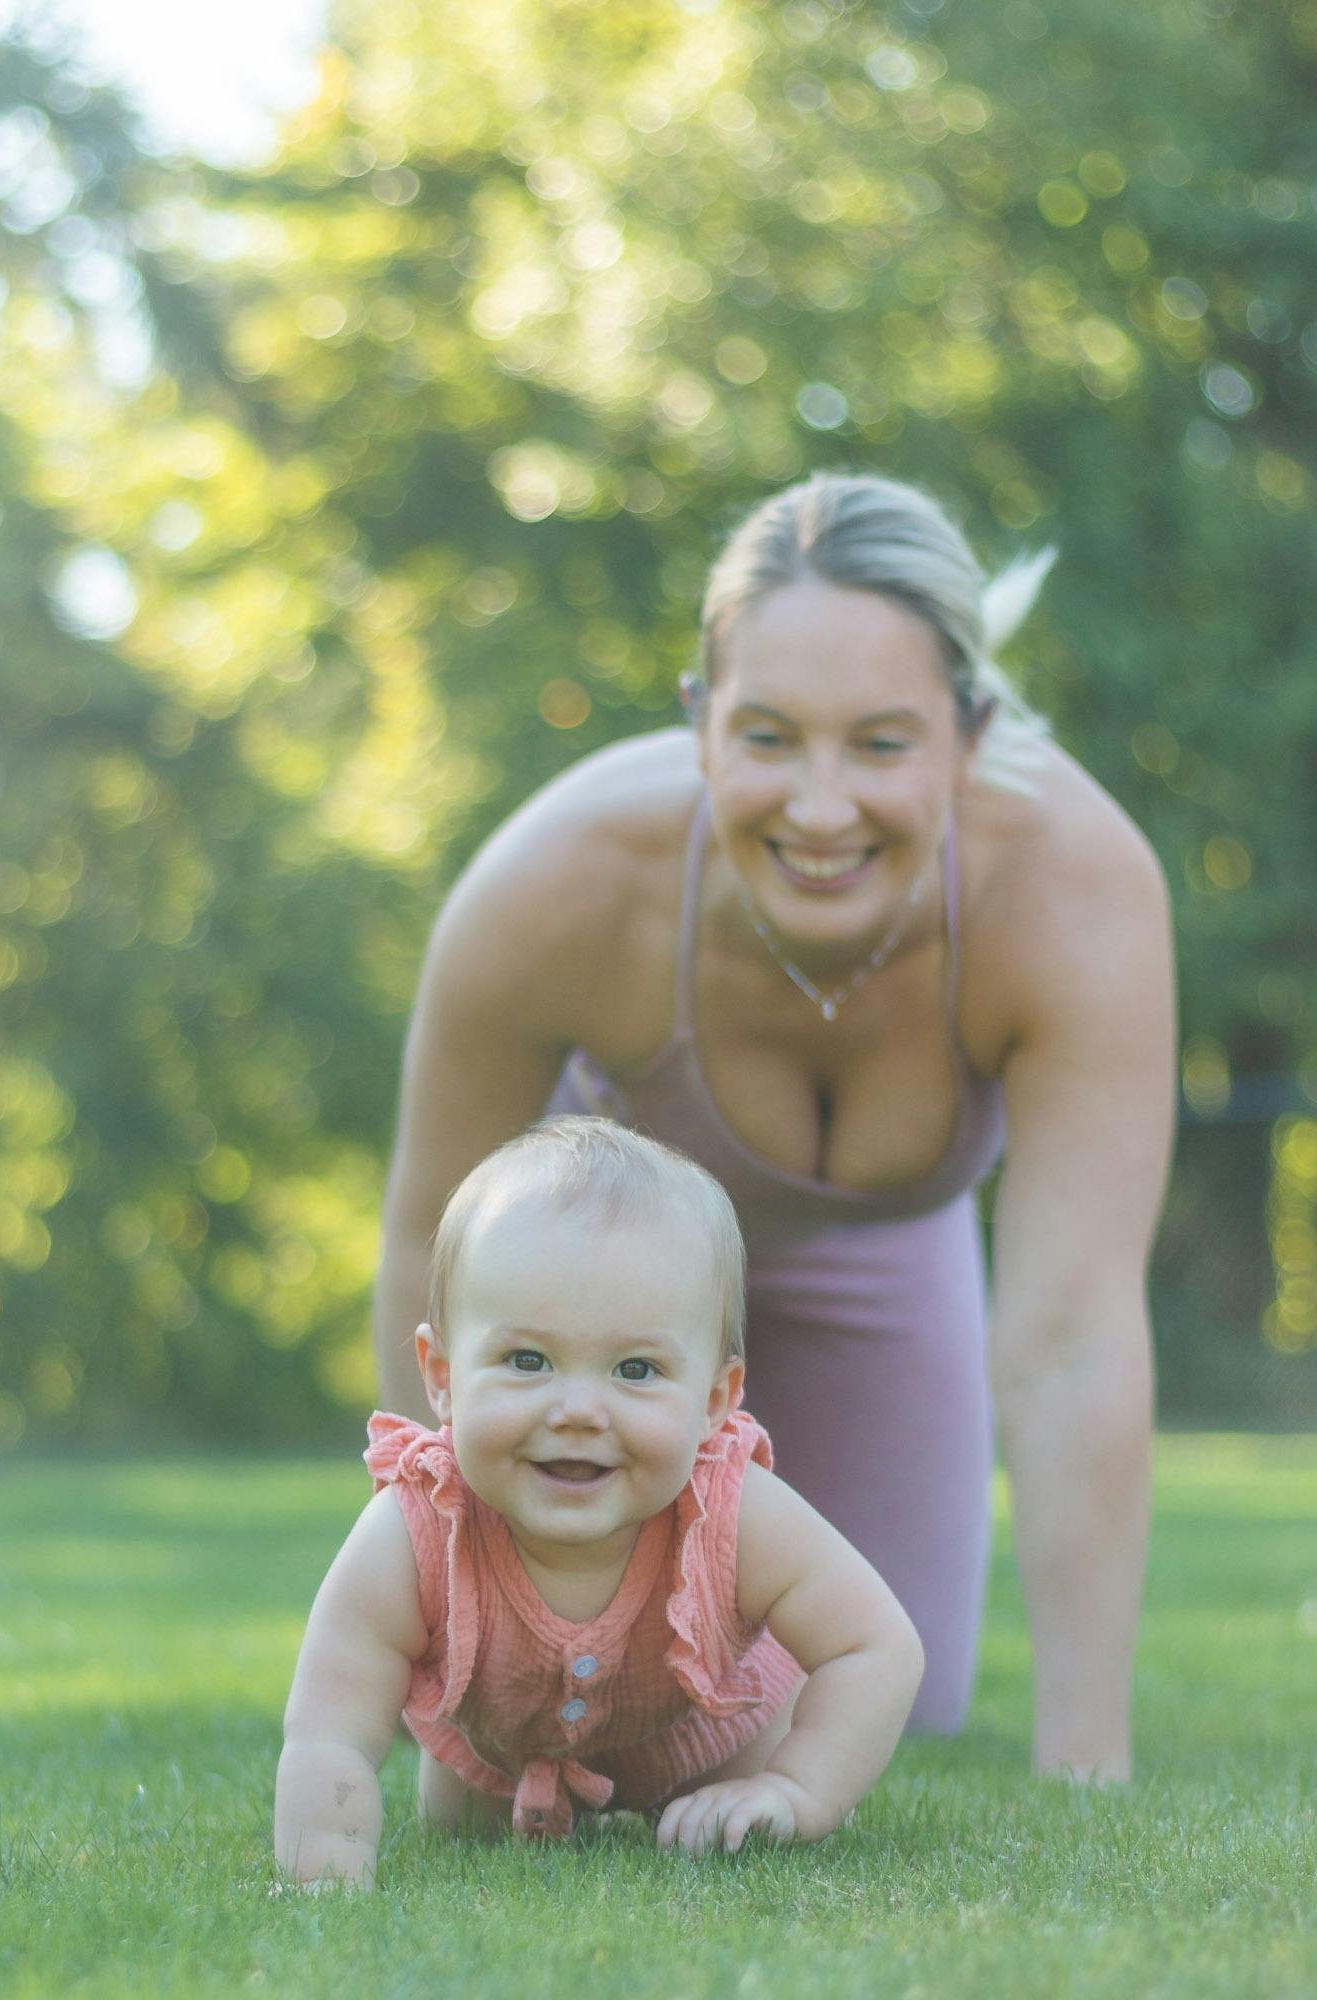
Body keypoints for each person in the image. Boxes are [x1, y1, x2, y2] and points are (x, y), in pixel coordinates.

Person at [374, 473, 1175, 1781]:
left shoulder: (1075, 893)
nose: (817, 808)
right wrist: (450, 1663)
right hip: (595, 1284)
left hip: (884, 1265)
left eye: (879, 743)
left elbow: (1072, 1338)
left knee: (885, 1697)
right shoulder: (559, 880)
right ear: (699, 724)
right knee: (620, 1722)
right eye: (767, 737)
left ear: (967, 734)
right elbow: (427, 1245)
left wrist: (1087, 1758)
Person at [275, 1119, 924, 1888]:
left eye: (637, 1370)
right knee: (461, 1831)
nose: (580, 1408)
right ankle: (509, 1794)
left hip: (714, 1747)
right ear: (442, 1376)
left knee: (738, 1830)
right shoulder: (418, 1525)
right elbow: (329, 1721)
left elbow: (875, 1645)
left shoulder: (734, 1510)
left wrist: (795, 1788)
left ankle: (743, 1793)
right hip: (498, 1760)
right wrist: (326, 1857)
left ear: (715, 1399)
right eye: (528, 1360)